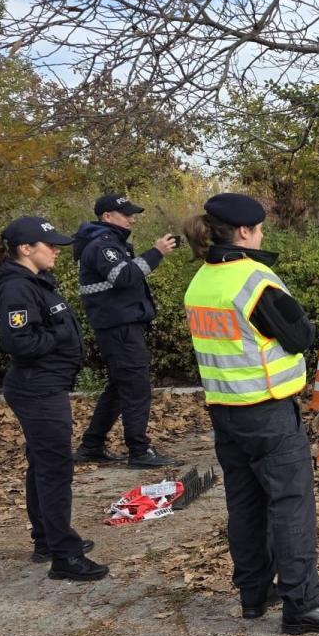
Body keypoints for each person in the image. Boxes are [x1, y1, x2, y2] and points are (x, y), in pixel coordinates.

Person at [182, 192, 319, 635]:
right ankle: (302, 604)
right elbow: (299, 334)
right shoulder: (254, 279)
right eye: (259, 228)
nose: (262, 235)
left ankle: (254, 595)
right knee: (291, 505)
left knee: (245, 504)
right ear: (244, 232)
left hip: (225, 411)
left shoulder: (201, 280)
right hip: (268, 411)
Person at [0, 216, 108, 582]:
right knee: (55, 470)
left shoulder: (31, 281)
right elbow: (19, 342)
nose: (56, 251)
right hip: (38, 388)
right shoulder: (16, 287)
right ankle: (64, 556)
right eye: (49, 246)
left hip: (45, 386)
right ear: (25, 249)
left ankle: (47, 540)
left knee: (43, 464)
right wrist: (62, 339)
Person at [73, 193, 179, 467]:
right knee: (135, 387)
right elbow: (123, 277)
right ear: (107, 216)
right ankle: (139, 451)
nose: (132, 218)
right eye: (126, 214)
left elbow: (126, 276)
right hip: (118, 327)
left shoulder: (111, 243)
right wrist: (157, 252)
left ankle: (91, 445)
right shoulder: (102, 245)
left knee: (120, 388)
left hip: (119, 325)